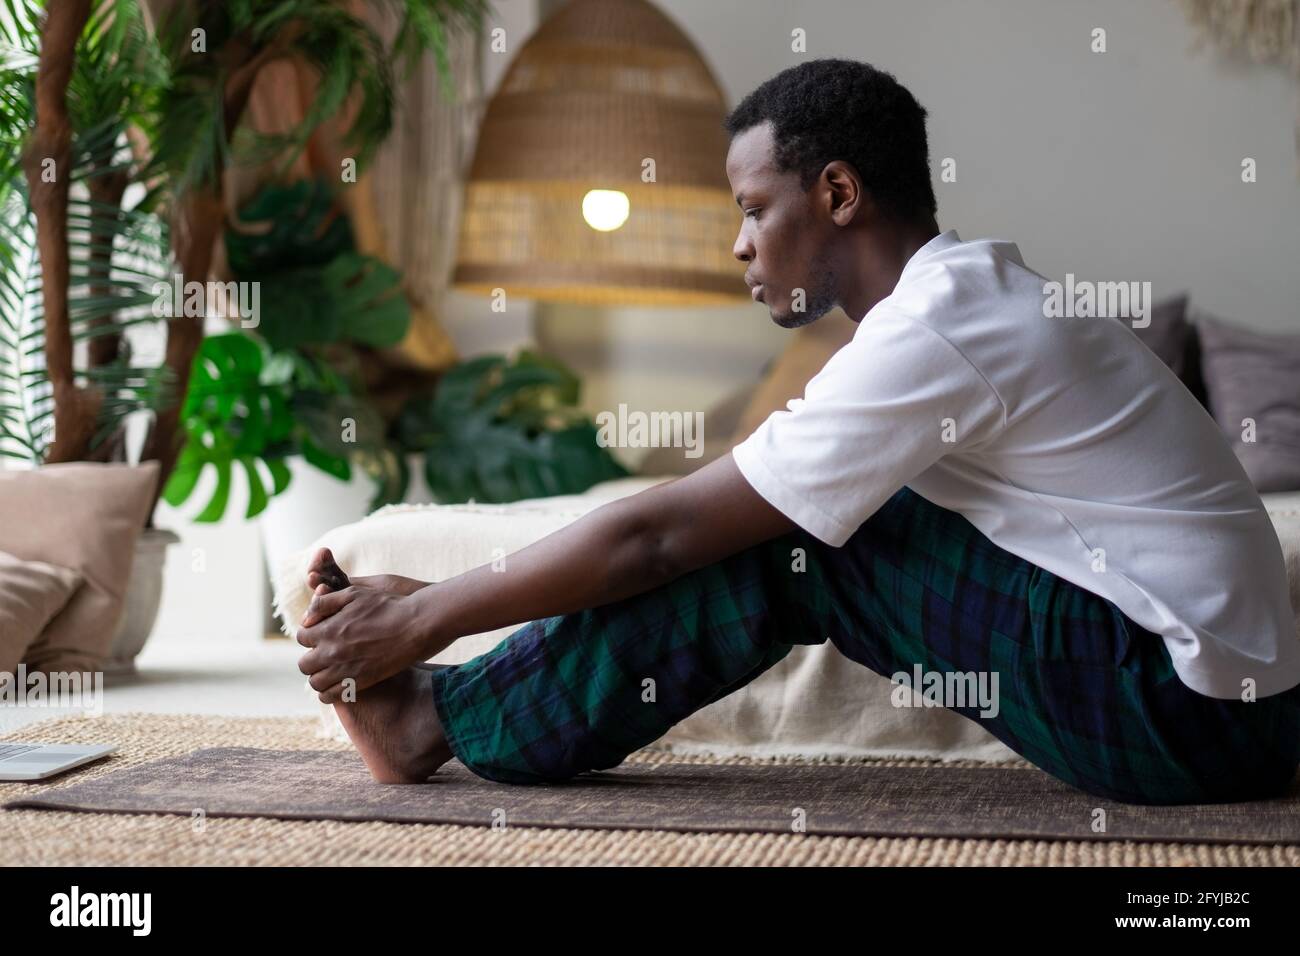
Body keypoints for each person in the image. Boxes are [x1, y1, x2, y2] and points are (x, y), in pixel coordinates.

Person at [295, 59, 1300, 805]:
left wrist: (428, 617)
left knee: (794, 541)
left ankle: (431, 715)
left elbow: (665, 533)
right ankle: (455, 696)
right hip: (1224, 703)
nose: (738, 242)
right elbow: (685, 518)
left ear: (836, 193)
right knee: (793, 512)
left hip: (1184, 711)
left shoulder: (941, 325)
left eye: (753, 206)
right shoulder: (962, 302)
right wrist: (454, 597)